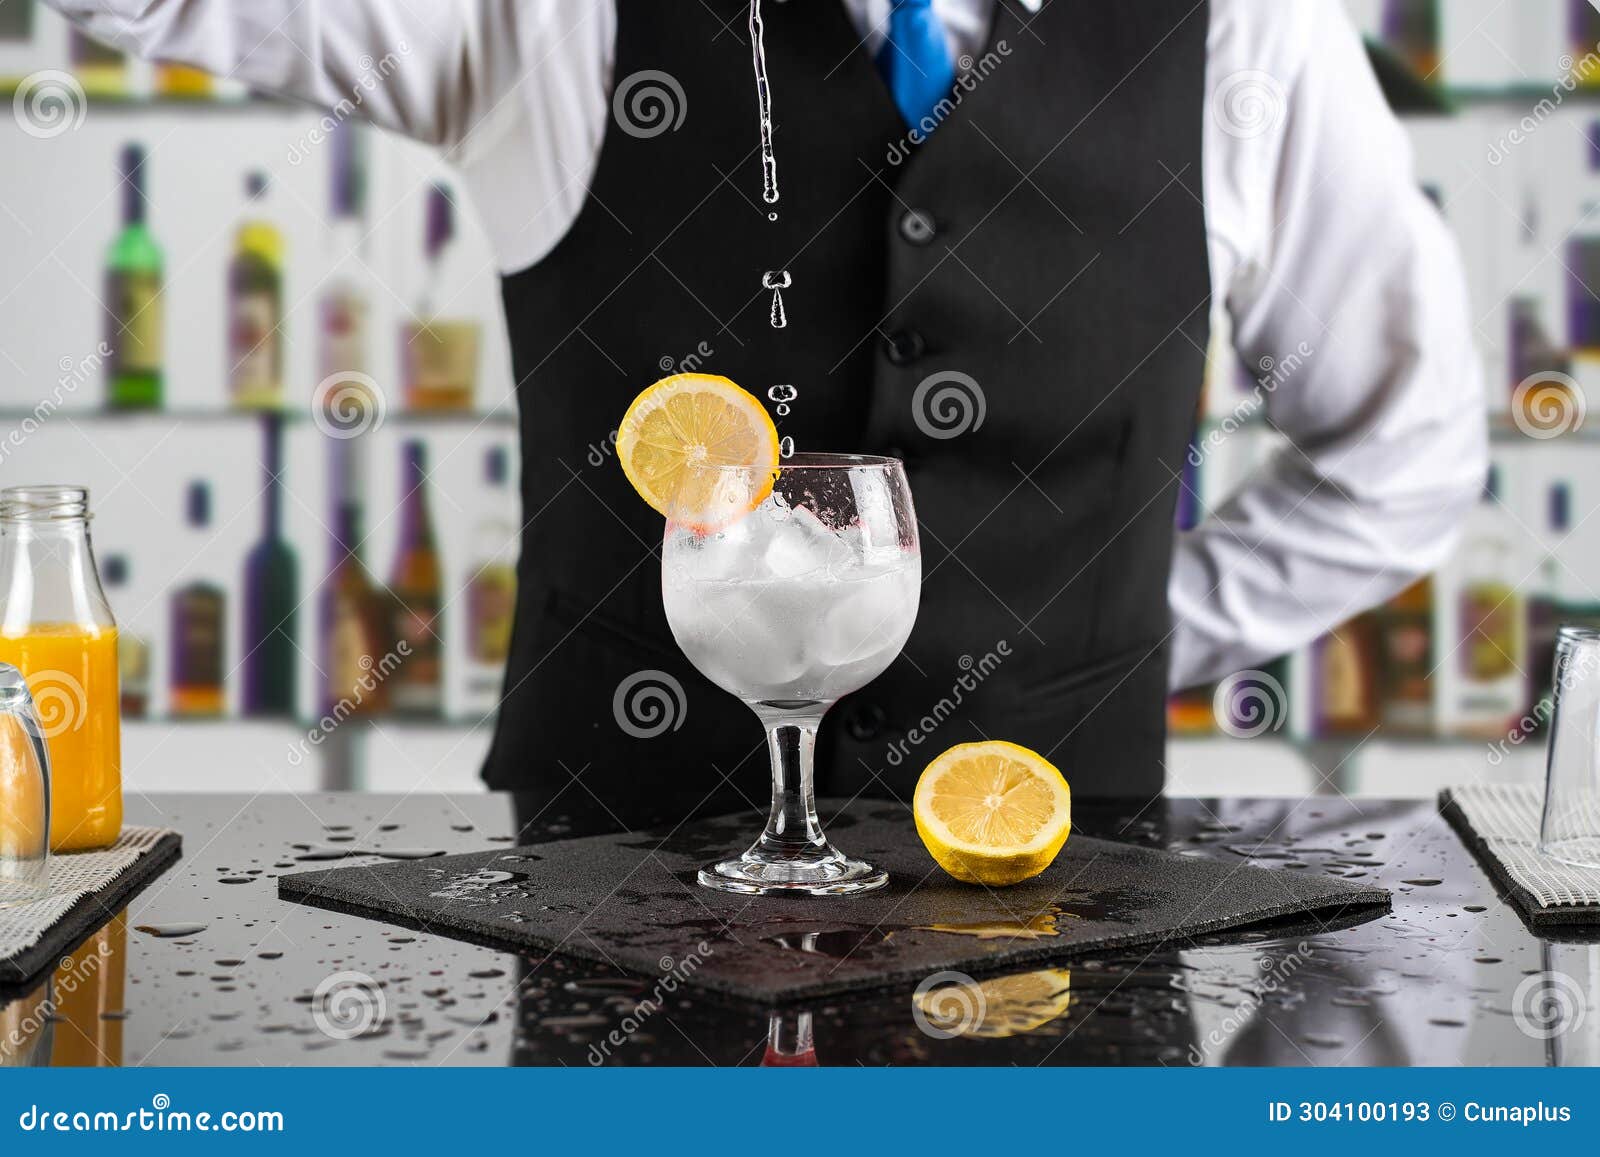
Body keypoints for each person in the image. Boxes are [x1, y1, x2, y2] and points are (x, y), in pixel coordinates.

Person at [45, 0, 1486, 831]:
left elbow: (1405, 450)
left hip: (1061, 885)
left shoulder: (1246, 29)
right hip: (622, 882)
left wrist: (1109, 632)